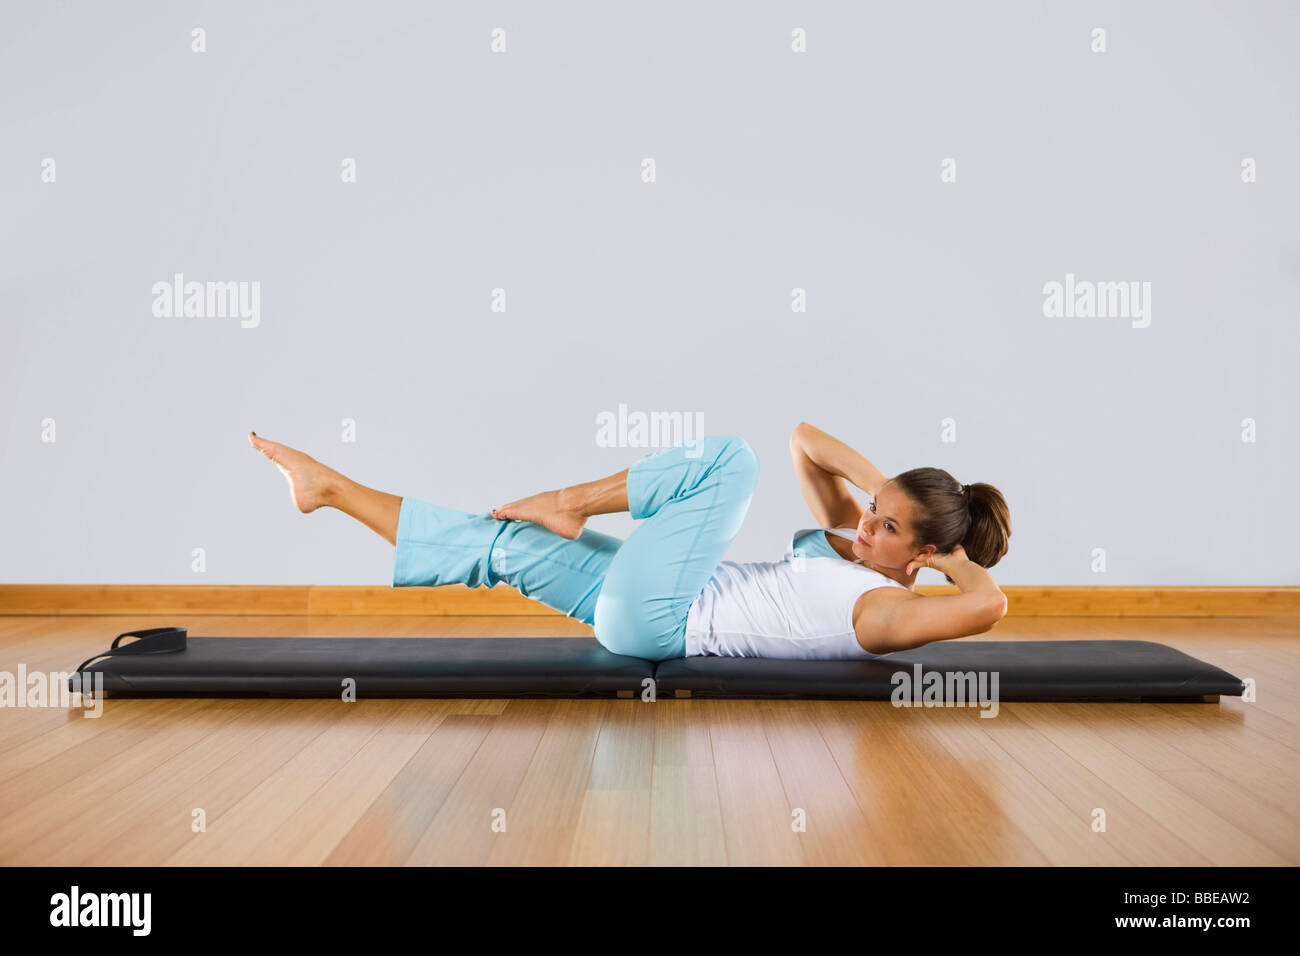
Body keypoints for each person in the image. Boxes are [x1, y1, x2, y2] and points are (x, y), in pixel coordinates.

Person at [247, 422, 1010, 662]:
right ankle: (332, 490)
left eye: (884, 526)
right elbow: (804, 440)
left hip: (662, 620)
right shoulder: (853, 550)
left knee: (728, 461)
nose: (865, 524)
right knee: (500, 544)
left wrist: (955, 564)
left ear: (922, 556)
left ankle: (571, 501)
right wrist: (887, 496)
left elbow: (988, 606)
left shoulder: (884, 612)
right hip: (646, 603)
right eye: (872, 512)